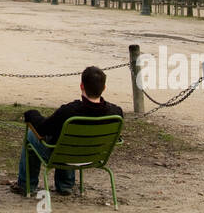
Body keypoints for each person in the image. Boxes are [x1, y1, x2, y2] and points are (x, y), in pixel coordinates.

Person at [8, 65, 122, 197]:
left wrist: (32, 114)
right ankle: (65, 185)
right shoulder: (116, 113)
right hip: (94, 157)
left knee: (32, 135)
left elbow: (42, 129)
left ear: (81, 86)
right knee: (66, 139)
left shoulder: (69, 112)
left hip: (63, 157)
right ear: (104, 88)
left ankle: (26, 185)